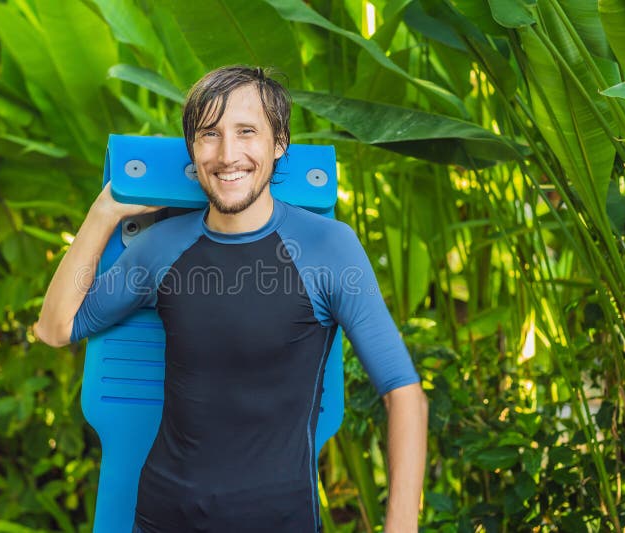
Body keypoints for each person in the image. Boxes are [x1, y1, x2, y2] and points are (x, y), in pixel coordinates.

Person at [35, 66, 428, 533]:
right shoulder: (162, 247)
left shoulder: (328, 248)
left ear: (279, 142)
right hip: (162, 518)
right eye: (209, 134)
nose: (227, 154)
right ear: (192, 148)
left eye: (246, 132)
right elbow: (55, 328)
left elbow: (404, 395)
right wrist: (103, 213)